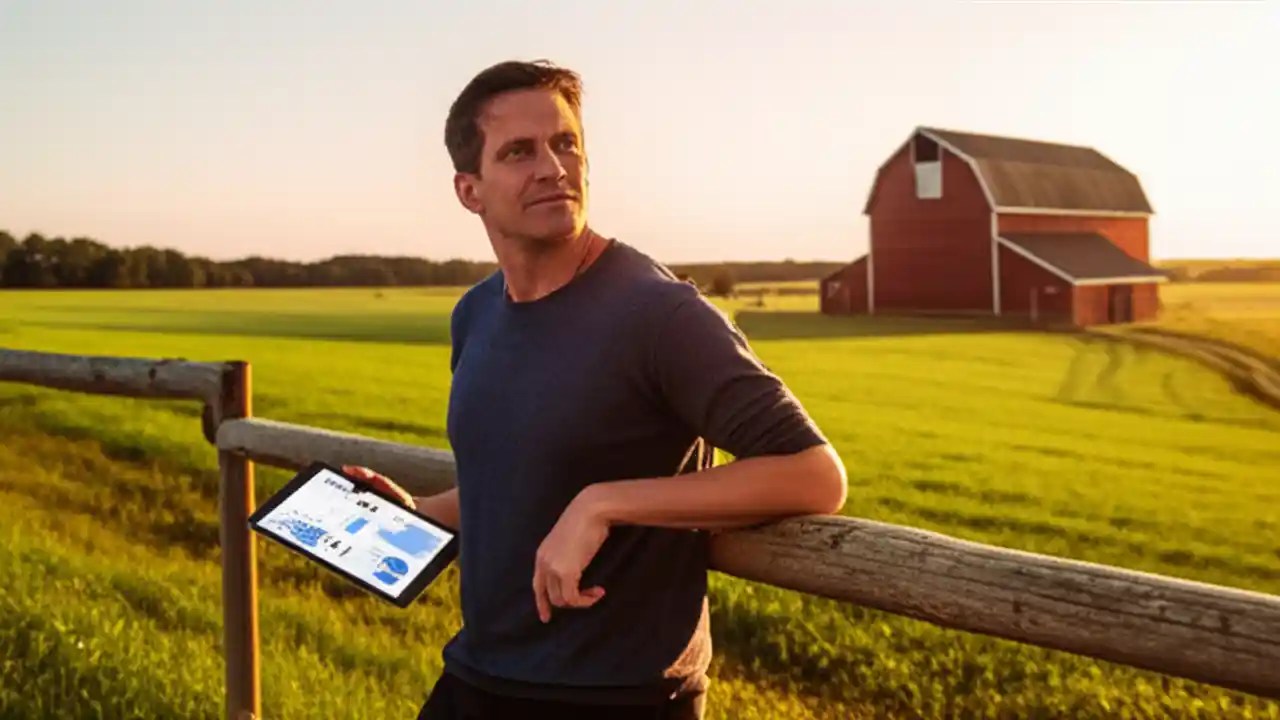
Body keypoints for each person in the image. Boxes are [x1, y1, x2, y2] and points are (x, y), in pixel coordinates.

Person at [345, 59, 847, 720]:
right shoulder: (476, 314)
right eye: (519, 151)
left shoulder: (659, 314)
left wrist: (604, 505)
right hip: (480, 674)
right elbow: (518, 484)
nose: (553, 166)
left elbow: (814, 476)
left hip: (619, 694)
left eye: (566, 143)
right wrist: (416, 512)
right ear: (470, 190)